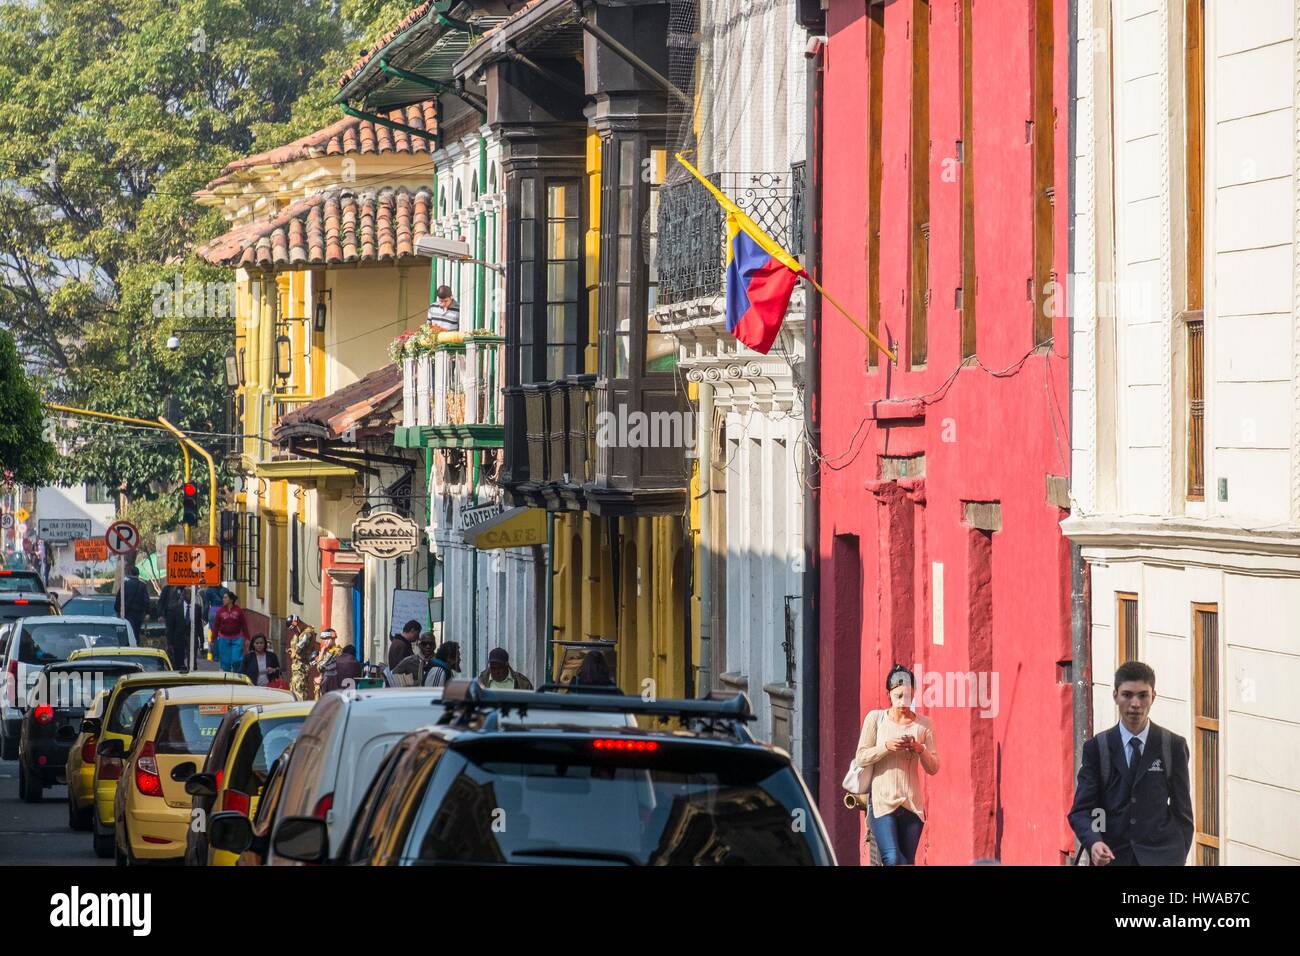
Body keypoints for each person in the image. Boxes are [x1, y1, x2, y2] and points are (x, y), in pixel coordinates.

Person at [1068, 661, 1194, 866]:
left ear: (1153, 697)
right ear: (1115, 695)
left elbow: (1183, 814)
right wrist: (1094, 843)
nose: (1135, 704)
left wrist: (1176, 856)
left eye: (1143, 695)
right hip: (1113, 859)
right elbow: (1080, 811)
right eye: (1127, 695)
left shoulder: (1172, 746)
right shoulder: (1097, 749)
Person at [852, 664, 940, 865]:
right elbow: (861, 757)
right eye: (898, 695)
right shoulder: (876, 719)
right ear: (889, 694)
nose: (903, 701)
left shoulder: (924, 725)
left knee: (906, 862)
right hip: (882, 803)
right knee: (892, 859)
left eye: (908, 696)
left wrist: (920, 749)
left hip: (911, 804)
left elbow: (934, 767)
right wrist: (886, 747)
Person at [211, 590, 251, 673]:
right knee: (225, 662)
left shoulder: (238, 610)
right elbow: (216, 626)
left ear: (231, 600)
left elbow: (244, 625)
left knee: (236, 659)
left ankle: (236, 675)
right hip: (223, 639)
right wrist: (213, 639)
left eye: (225, 598)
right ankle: (227, 679)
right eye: (223, 598)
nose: (223, 599)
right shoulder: (220, 611)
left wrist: (247, 638)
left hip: (237, 638)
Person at [116, 563, 150, 639]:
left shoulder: (125, 585)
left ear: (130, 574)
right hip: (139, 613)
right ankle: (136, 645)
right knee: (136, 632)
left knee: (128, 632)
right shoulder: (142, 585)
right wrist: (147, 613)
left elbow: (119, 598)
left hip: (127, 613)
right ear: (138, 574)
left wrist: (118, 611)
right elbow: (146, 600)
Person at [290, 622, 317, 700]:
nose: (294, 631)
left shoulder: (307, 633)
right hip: (297, 667)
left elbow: (299, 648)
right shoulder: (301, 633)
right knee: (295, 689)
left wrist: (294, 652)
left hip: (301, 667)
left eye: (294, 628)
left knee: (299, 690)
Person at [311, 629, 340, 698]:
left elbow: (320, 667)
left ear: (333, 639)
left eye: (326, 639)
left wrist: (321, 654)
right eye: (323, 639)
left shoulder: (333, 652)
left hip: (331, 684)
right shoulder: (331, 651)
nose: (324, 641)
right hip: (329, 683)